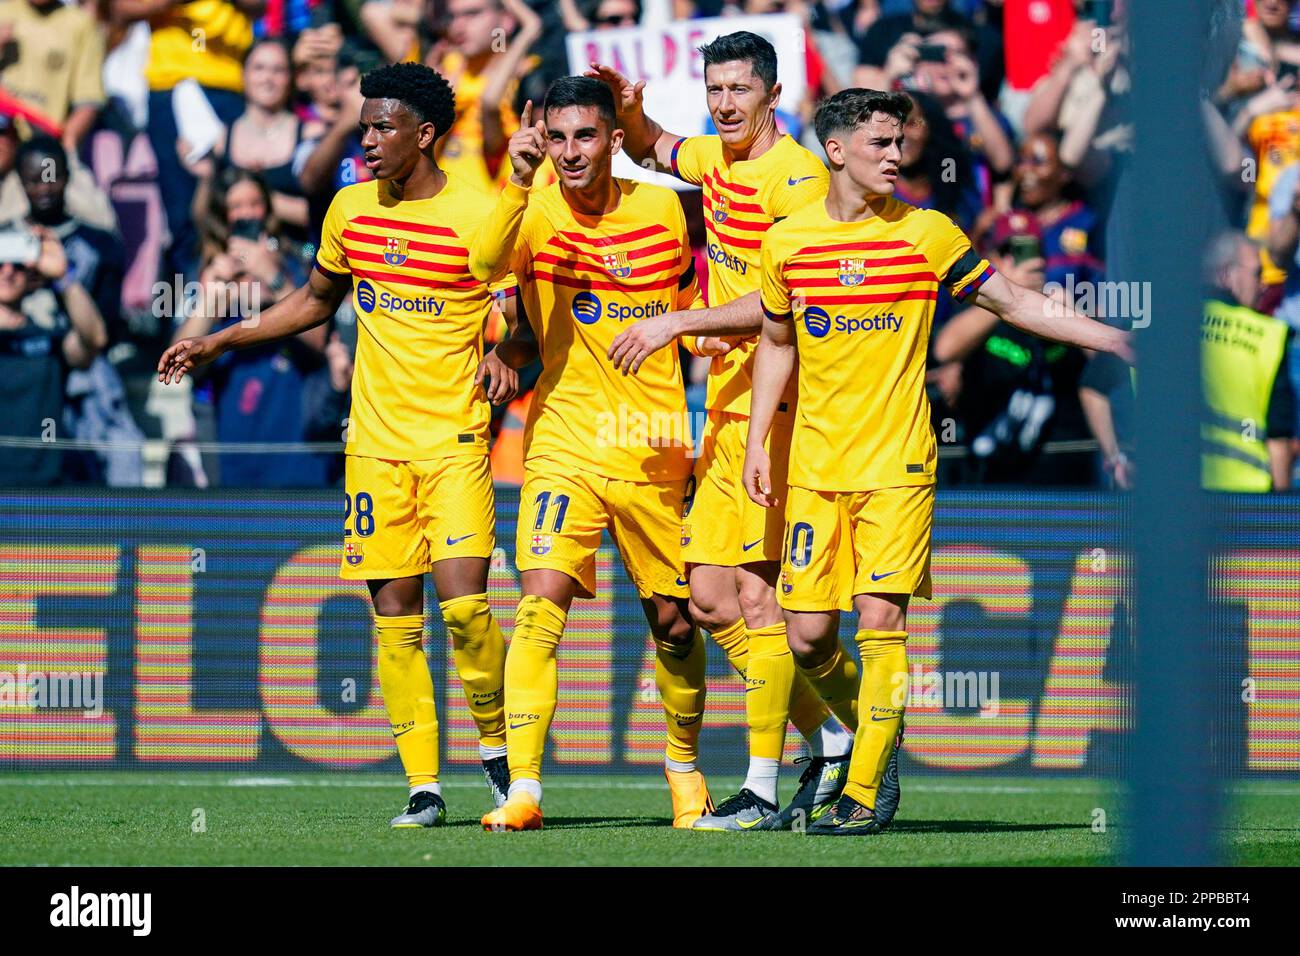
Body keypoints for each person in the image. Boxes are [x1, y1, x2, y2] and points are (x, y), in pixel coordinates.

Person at [742, 88, 1131, 835]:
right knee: (807, 636)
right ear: (836, 150)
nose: (896, 155)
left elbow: (1013, 301)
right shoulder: (786, 241)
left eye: (900, 142)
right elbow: (777, 344)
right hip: (816, 466)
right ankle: (873, 743)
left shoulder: (926, 232)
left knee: (880, 621)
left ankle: (861, 797)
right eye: (881, 143)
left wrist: (1106, 336)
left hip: (898, 462)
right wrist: (760, 439)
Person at [158, 62, 522, 829]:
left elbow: (524, 320)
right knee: (394, 616)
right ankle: (424, 785)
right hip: (375, 450)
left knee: (464, 609)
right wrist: (222, 338)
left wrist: (508, 357)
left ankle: (501, 757)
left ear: (424, 135)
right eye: (363, 125)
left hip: (453, 441)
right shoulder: (350, 210)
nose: (367, 139)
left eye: (381, 127)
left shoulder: (479, 212)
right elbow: (314, 302)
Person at [586, 32, 858, 833]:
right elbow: (652, 148)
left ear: (775, 95)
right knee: (707, 595)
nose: (727, 103)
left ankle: (764, 787)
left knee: (760, 599)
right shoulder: (712, 158)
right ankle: (832, 733)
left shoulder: (800, 181)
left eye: (742, 89)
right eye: (716, 89)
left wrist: (681, 320)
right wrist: (630, 113)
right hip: (731, 408)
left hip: (787, 409)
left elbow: (784, 304)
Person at [469, 77, 727, 832]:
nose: (572, 151)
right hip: (564, 440)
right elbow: (488, 265)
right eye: (559, 138)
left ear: (615, 140)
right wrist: (517, 181)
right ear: (542, 140)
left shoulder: (667, 211)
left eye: (587, 136)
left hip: (652, 447)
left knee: (676, 624)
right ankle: (523, 791)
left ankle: (685, 776)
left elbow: (697, 304)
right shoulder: (532, 209)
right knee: (538, 603)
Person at [7, 135, 141, 486]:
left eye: (52, 177)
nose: (44, 188)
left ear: (68, 177)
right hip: (15, 365)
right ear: (19, 181)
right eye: (34, 180)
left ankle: (120, 535)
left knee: (121, 448)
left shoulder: (100, 244)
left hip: (80, 365)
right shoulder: (6, 242)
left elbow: (102, 332)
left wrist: (61, 279)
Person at [0, 224, 107, 487]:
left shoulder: (48, 340)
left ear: (32, 272)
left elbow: (94, 339)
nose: (8, 271)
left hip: (44, 489)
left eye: (18, 264)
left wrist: (64, 277)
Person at [0, 0, 106, 151]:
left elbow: (89, 98)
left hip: (45, 142)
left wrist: (67, 142)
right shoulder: (3, 12)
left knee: (46, 171)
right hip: (5, 139)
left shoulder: (80, 24)